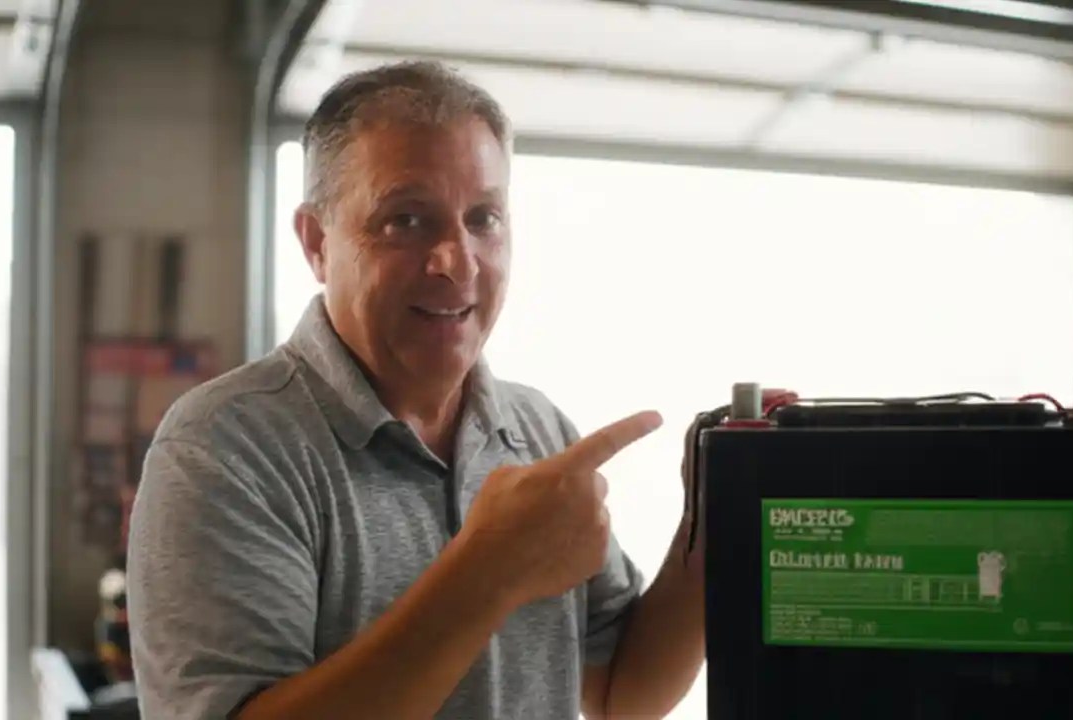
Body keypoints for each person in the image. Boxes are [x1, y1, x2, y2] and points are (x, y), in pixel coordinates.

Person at [126, 60, 706, 720]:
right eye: (406, 220)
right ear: (317, 243)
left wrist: (708, 531)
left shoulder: (537, 433)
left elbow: (619, 694)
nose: (456, 261)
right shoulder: (226, 446)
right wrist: (485, 576)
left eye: (483, 218)